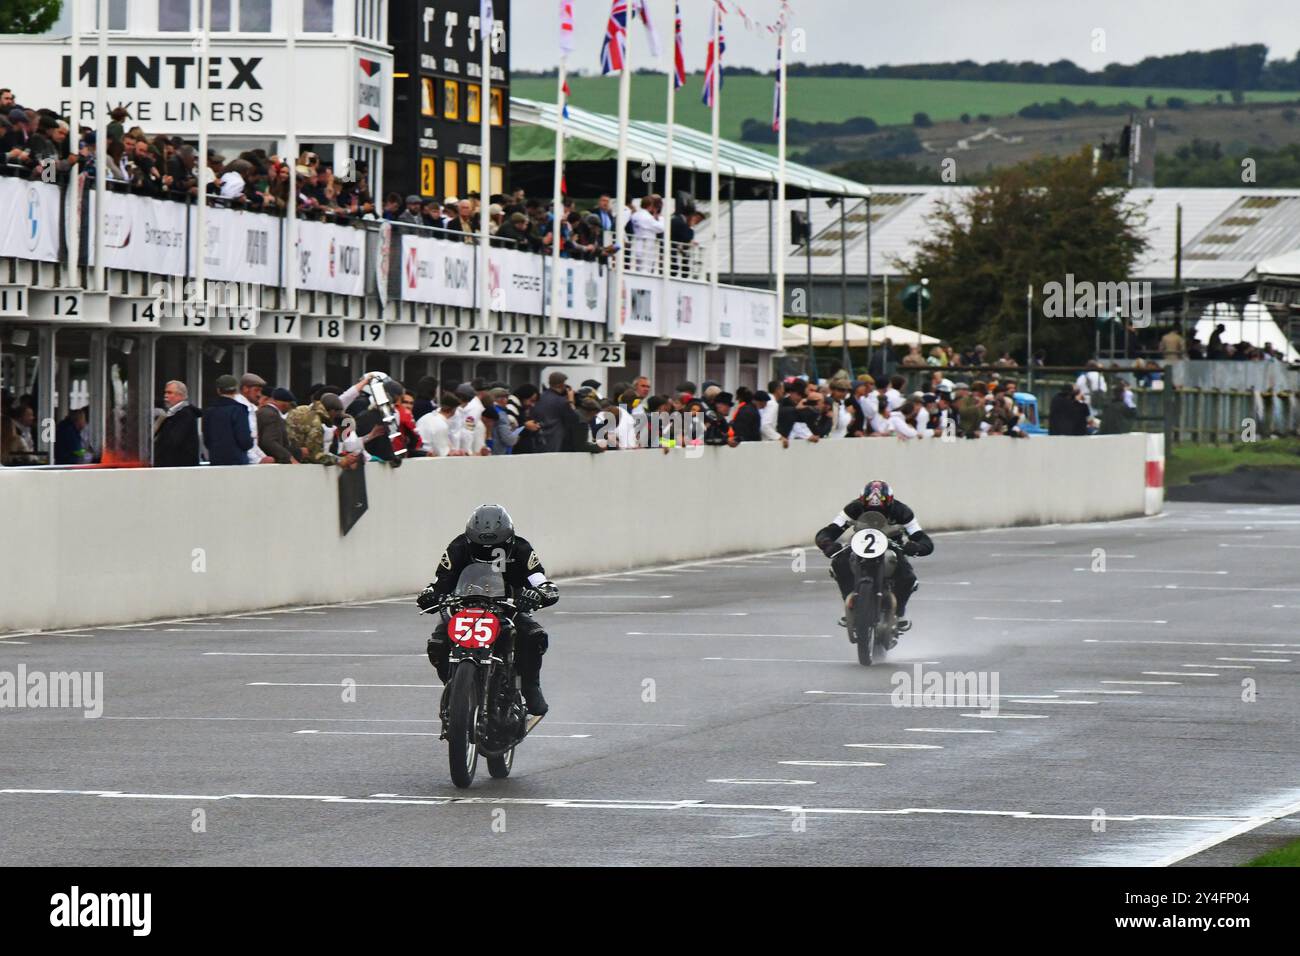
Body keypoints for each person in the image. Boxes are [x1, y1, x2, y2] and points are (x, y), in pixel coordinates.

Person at [417, 505, 558, 716]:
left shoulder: (521, 548)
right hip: (463, 606)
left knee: (533, 636)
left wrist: (538, 593)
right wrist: (429, 594)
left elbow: (540, 581)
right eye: (479, 547)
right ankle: (454, 686)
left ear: (508, 540)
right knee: (438, 643)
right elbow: (440, 582)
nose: (487, 553)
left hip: (507, 606)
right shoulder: (457, 547)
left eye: (494, 547)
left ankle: (531, 687)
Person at [813, 480, 934, 634]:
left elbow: (921, 538)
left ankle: (900, 612)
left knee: (908, 577)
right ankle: (850, 603)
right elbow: (830, 530)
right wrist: (828, 544)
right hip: (860, 545)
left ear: (889, 503)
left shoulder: (902, 511)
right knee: (839, 564)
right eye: (868, 508)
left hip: (892, 546)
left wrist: (916, 547)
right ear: (862, 503)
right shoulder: (853, 508)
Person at [203, 375, 254, 466]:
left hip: (216, 461)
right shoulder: (239, 410)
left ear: (218, 390)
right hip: (237, 462)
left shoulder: (209, 411)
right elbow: (245, 441)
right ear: (236, 390)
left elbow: (207, 441)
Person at [154, 380, 201, 467]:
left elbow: (173, 441)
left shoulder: (185, 415)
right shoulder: (169, 414)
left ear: (180, 395)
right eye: (165, 393)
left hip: (178, 467)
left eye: (169, 393)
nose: (165, 396)